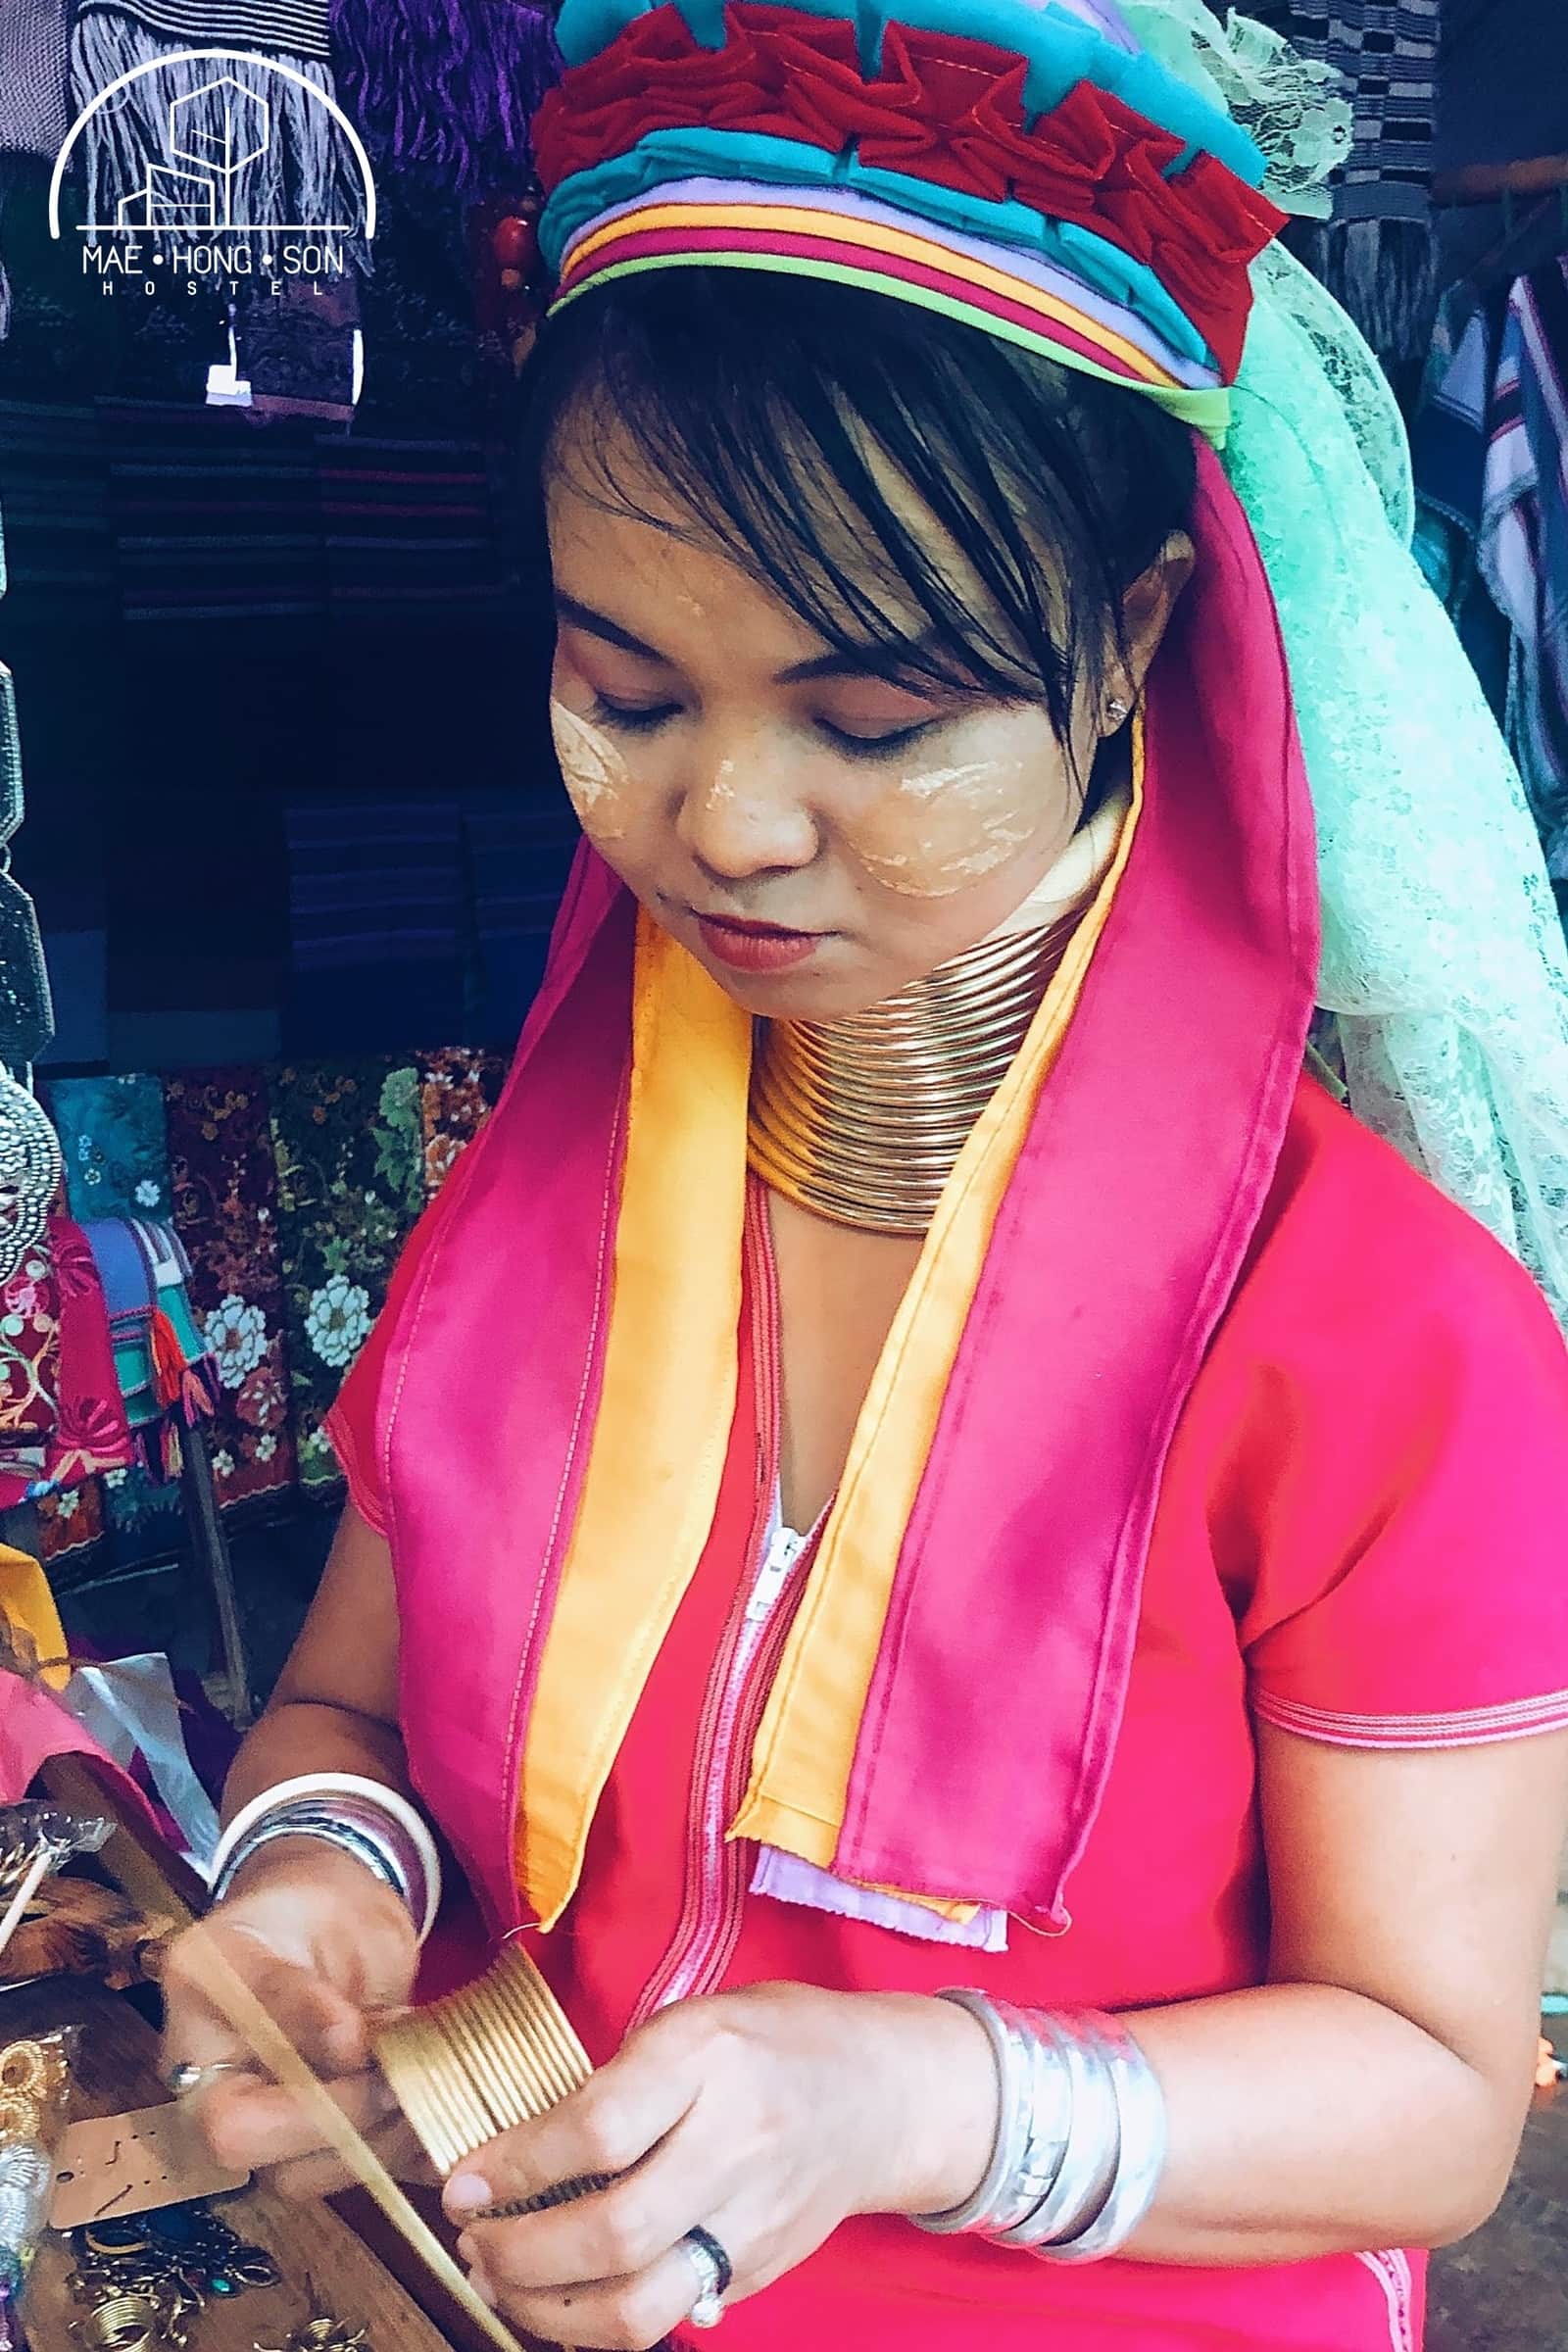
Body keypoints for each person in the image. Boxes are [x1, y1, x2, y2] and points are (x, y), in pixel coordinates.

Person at [160, 2, 1568, 2346]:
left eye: (873, 721)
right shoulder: (525, 1220)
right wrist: (314, 1879)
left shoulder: (1376, 1343)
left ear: (1123, 641)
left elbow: (1434, 2093)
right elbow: (341, 1720)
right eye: (624, 694)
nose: (721, 824)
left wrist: (915, 2102)